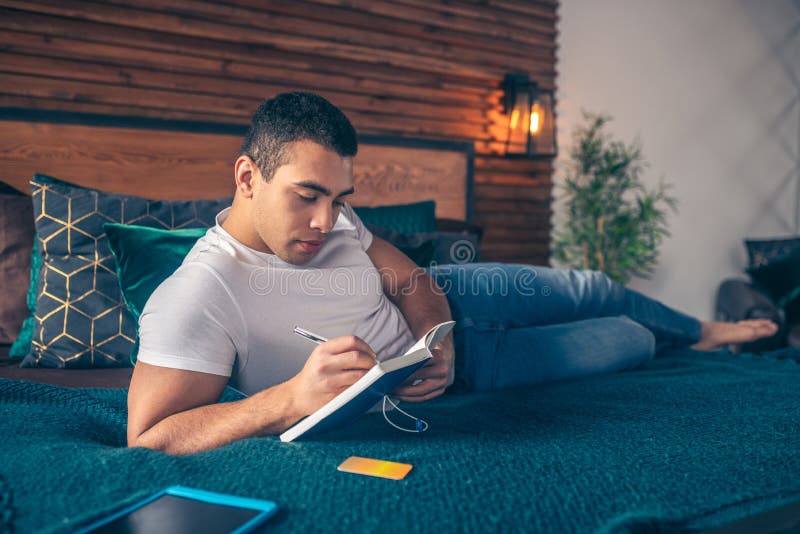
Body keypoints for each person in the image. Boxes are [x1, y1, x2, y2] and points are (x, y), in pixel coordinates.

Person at [127, 92, 777, 455]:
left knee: (594, 285)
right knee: (627, 338)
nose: (327, 220)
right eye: (307, 195)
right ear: (248, 176)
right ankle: (673, 334)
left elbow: (411, 279)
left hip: (456, 302)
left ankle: (706, 329)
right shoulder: (199, 294)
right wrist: (290, 399)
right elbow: (150, 437)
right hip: (466, 377)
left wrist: (436, 335)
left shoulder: (338, 222)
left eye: (340, 197)